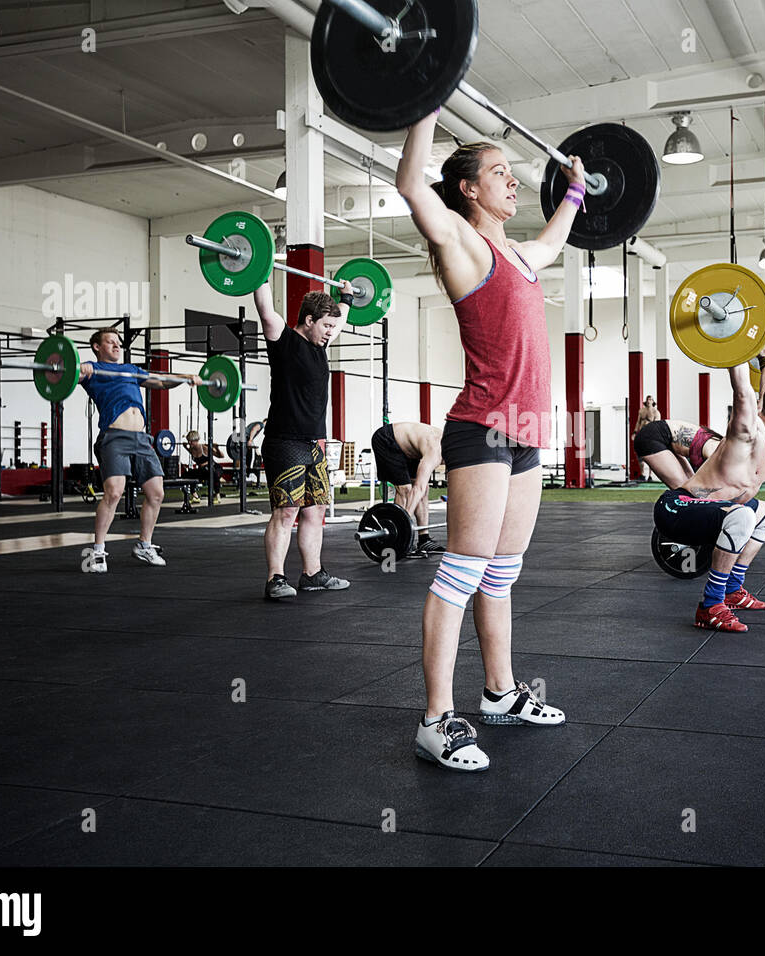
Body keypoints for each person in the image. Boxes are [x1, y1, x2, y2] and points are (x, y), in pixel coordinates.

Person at [396, 112, 580, 771]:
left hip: (529, 431)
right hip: (482, 425)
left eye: (511, 172)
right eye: (499, 172)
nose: (511, 180)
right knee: (462, 571)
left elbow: (554, 244)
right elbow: (414, 188)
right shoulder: (468, 247)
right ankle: (436, 719)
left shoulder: (518, 255)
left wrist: (576, 193)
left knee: (502, 572)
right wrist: (427, 107)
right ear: (470, 188)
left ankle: (500, 693)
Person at [652, 348, 765, 633]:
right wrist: (736, 344)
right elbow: (743, 393)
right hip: (676, 509)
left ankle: (733, 590)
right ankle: (710, 606)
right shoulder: (748, 433)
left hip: (711, 512)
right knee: (742, 517)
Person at [251, 280, 353, 601]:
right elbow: (266, 311)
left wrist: (346, 297)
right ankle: (275, 578)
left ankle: (312, 574)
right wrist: (259, 271)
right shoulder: (283, 341)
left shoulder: (320, 344)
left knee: (315, 510)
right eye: (326, 326)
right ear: (308, 320)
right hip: (285, 441)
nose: (331, 332)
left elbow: (340, 320)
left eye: (332, 327)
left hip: (313, 444)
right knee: (286, 512)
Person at [78, 329, 200, 572]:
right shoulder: (92, 369)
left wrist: (184, 377)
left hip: (142, 439)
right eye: (110, 342)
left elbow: (159, 381)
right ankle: (97, 551)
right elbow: (63, 375)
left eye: (118, 343)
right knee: (114, 492)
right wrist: (79, 369)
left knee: (156, 493)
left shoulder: (132, 370)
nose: (116, 346)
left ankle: (145, 545)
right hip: (114, 437)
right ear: (96, 346)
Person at [370, 422, 446, 556]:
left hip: (410, 450)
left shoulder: (450, 448)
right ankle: (398, 537)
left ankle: (424, 540)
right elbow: (418, 488)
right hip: (387, 439)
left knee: (425, 490)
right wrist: (404, 524)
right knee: (405, 489)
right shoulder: (435, 452)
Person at [633, 416, 723, 489]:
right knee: (685, 489)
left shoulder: (723, 449)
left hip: (668, 440)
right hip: (652, 436)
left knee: (694, 488)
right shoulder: (717, 450)